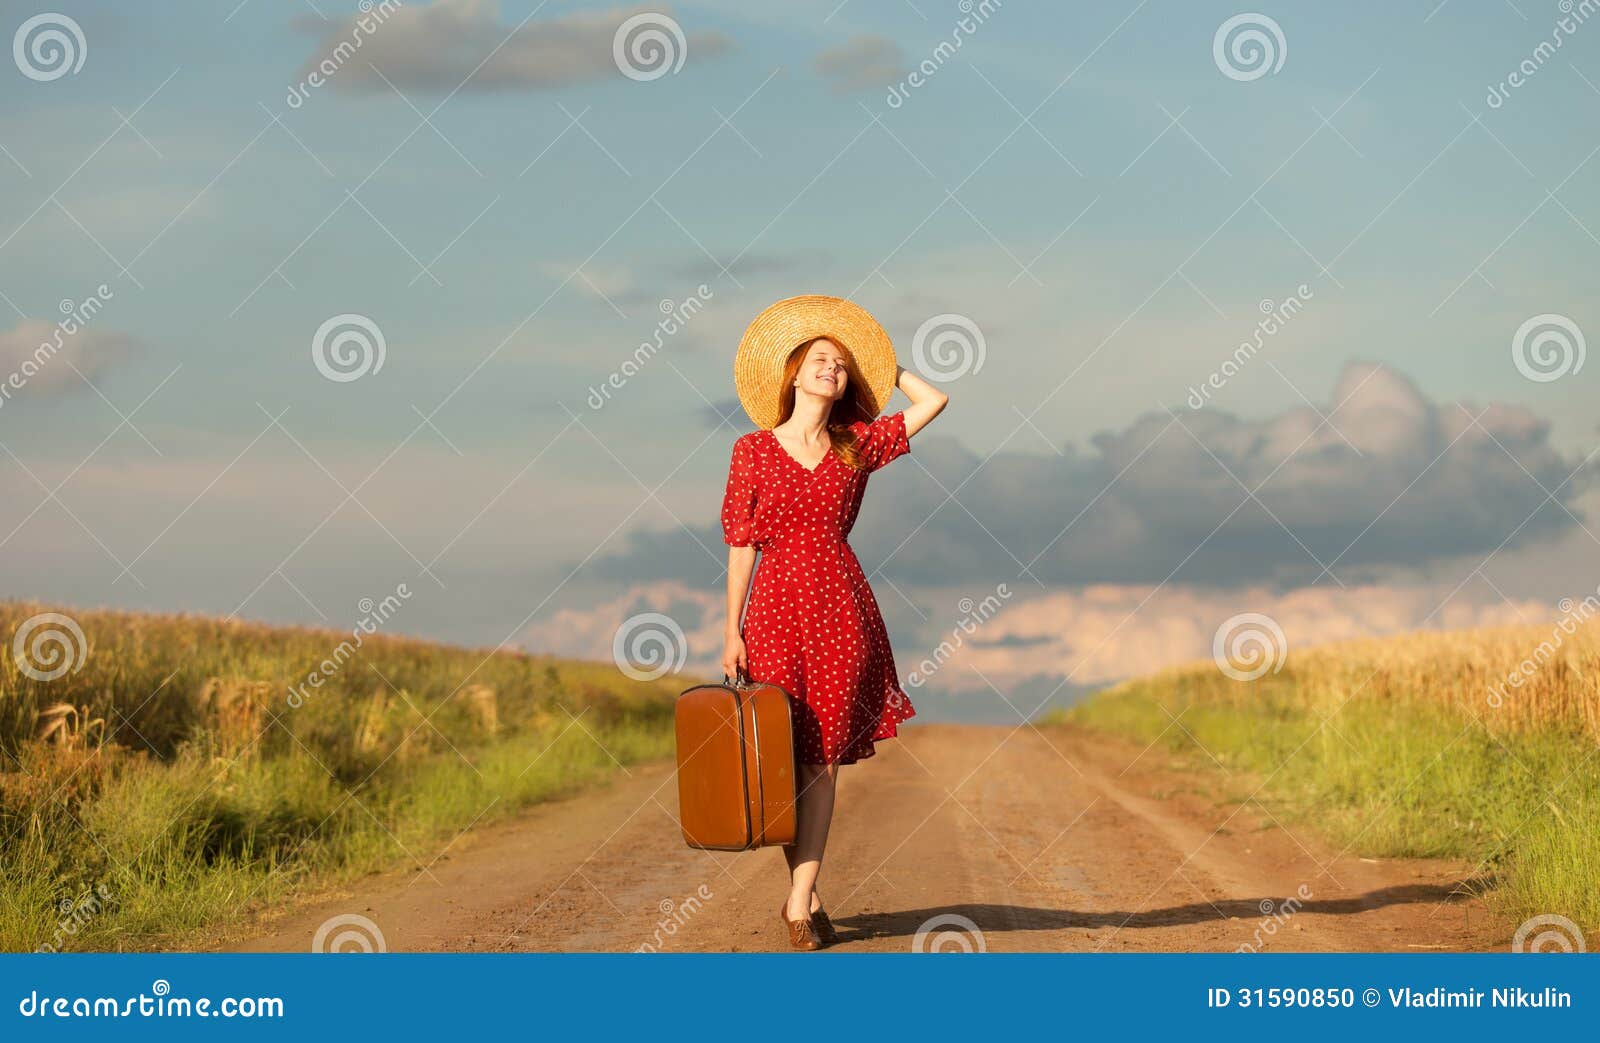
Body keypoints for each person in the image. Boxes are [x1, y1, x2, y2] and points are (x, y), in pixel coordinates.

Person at [719, 295, 949, 950]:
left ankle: (797, 899)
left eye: (842, 366)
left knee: (822, 758)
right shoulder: (752, 450)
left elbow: (933, 402)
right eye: (821, 359)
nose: (832, 370)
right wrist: (730, 629)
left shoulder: (856, 445)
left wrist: (887, 365)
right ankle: (809, 890)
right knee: (782, 759)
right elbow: (741, 545)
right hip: (772, 608)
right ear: (792, 373)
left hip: (840, 605)